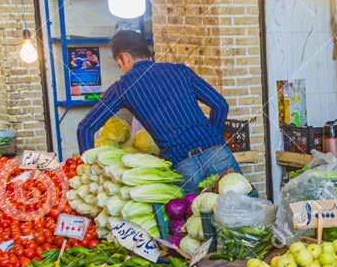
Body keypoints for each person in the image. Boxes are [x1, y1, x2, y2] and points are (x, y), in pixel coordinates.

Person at [77, 30, 240, 189]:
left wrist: (90, 172)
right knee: (246, 212)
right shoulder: (180, 71)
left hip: (185, 167)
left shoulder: (123, 87)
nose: (123, 70)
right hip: (218, 155)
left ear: (124, 58)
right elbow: (220, 105)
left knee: (198, 216)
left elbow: (85, 128)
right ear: (148, 54)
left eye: (120, 65)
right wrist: (213, 141)